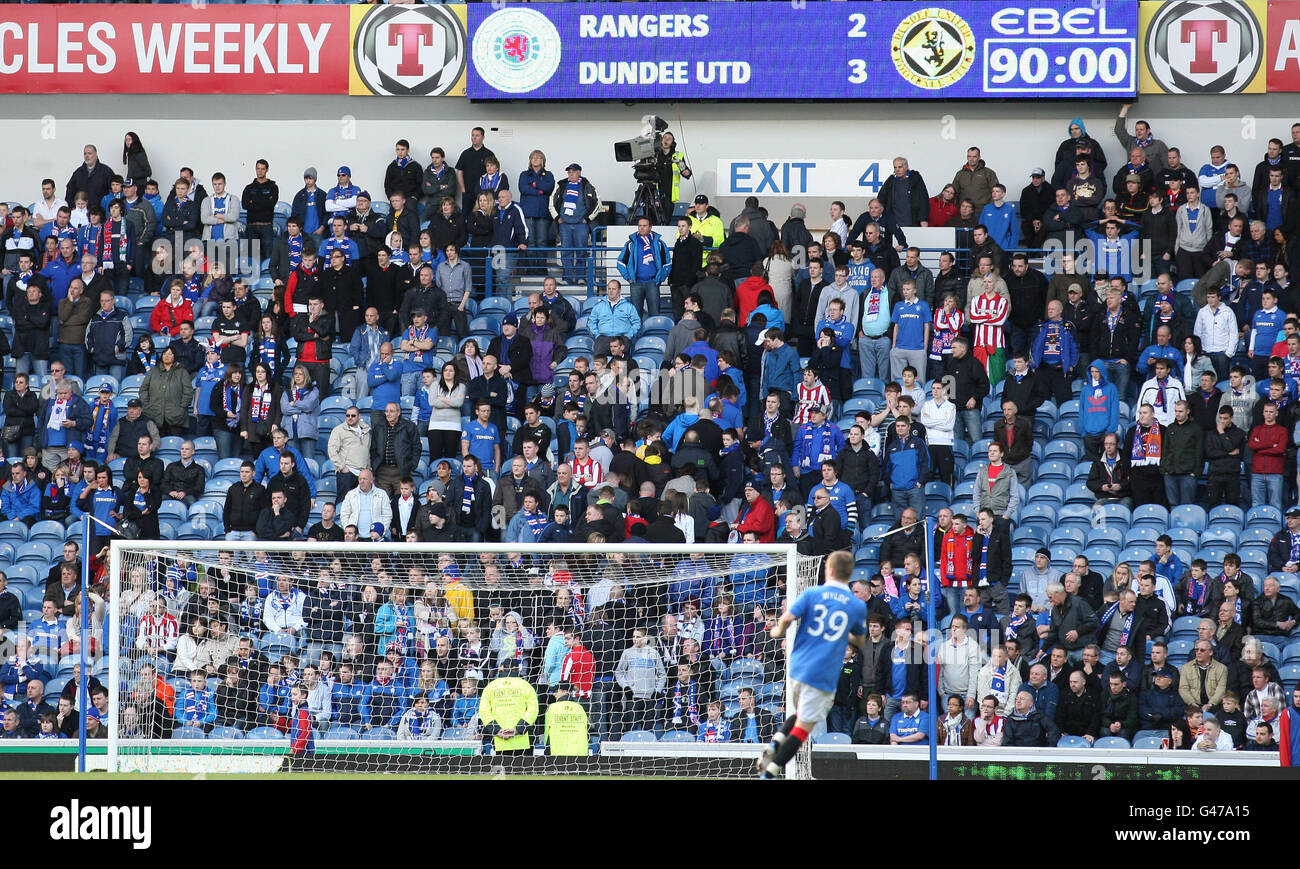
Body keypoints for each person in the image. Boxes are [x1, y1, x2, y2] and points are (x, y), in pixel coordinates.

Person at [761, 551, 866, 778]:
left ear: (828, 569)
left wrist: (776, 631)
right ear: (849, 575)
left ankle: (775, 744)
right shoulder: (856, 606)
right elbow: (859, 640)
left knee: (800, 714)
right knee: (804, 728)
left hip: (798, 666)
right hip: (823, 672)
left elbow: (786, 619)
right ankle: (770, 770)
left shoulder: (812, 593)